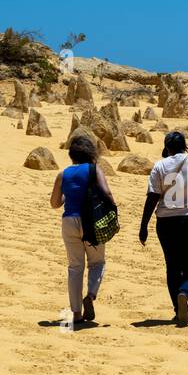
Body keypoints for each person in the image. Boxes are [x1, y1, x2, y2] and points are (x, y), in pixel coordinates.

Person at [138, 131, 188, 325]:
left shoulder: (159, 166)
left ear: (167, 148)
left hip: (166, 222)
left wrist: (143, 226)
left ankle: (177, 308)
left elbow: (152, 197)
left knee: (173, 266)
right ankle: (184, 293)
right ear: (186, 146)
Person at [50, 135, 114, 323]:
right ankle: (91, 295)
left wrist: (67, 198)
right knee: (97, 262)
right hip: (92, 222)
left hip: (69, 221)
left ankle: (76, 313)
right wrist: (112, 210)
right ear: (91, 153)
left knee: (75, 267)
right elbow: (107, 192)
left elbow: (54, 203)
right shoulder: (95, 170)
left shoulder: (63, 174)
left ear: (72, 155)